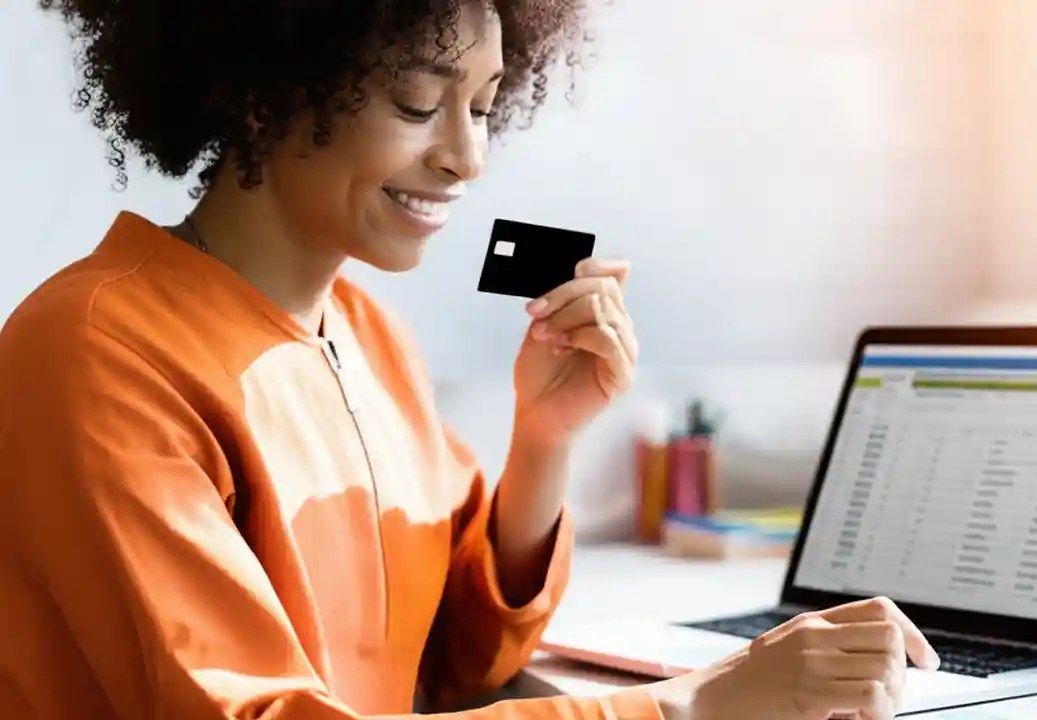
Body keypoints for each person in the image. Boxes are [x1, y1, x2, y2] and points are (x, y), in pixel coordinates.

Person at [0, 1, 940, 718]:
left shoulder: (368, 336)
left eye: (485, 108)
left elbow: (461, 665)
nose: (465, 157)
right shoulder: (92, 351)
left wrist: (545, 437)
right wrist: (684, 703)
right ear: (263, 90)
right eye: (419, 103)